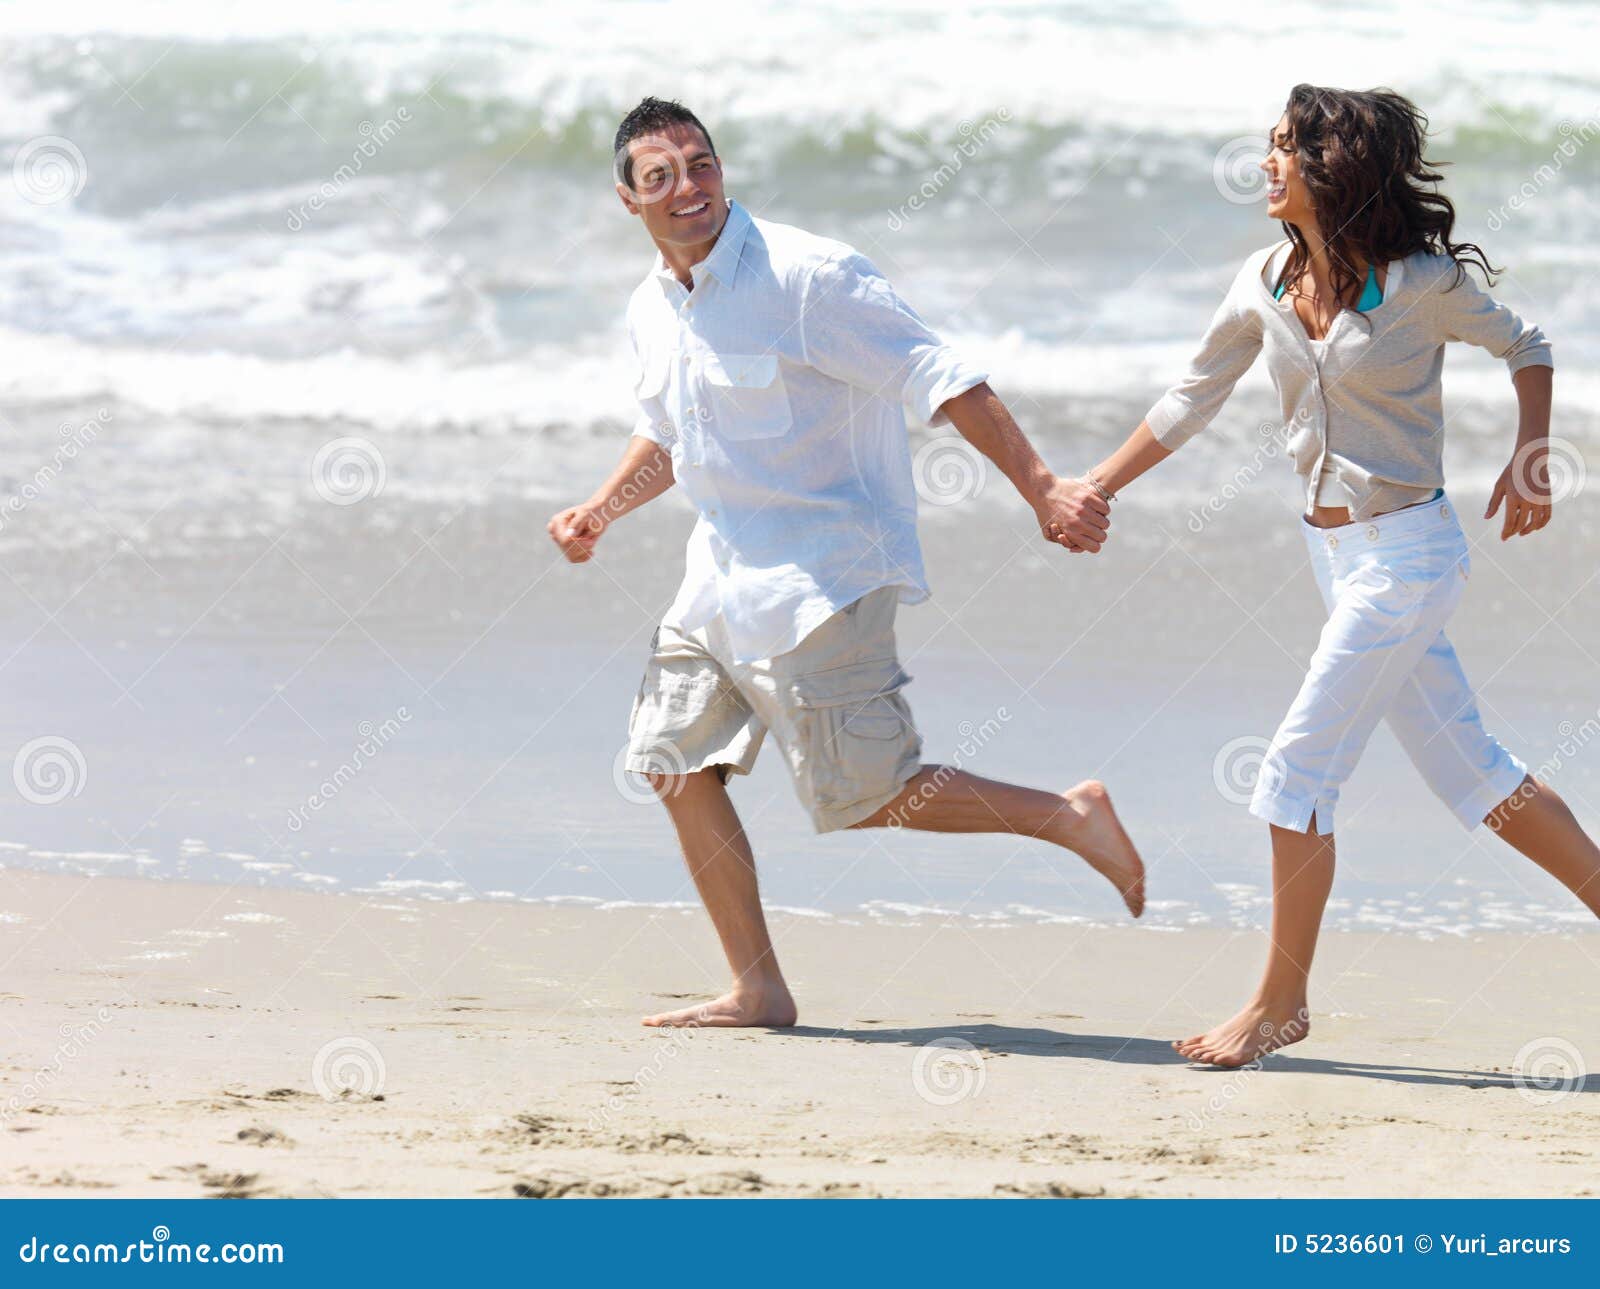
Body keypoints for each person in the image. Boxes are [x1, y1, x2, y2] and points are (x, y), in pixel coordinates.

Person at [548, 96, 1144, 1028]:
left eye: (700, 164)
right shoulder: (652, 306)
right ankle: (757, 986)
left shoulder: (808, 275)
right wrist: (601, 509)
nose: (688, 188)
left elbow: (941, 374)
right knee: (668, 758)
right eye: (660, 175)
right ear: (629, 200)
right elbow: (669, 435)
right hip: (719, 575)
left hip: (823, 576)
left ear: (721, 169)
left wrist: (1042, 487)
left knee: (871, 796)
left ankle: (1068, 816)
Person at [1088, 84, 1600, 1067]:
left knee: (1292, 777)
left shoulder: (1417, 282)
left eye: (1285, 147)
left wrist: (1531, 454)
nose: (1266, 162)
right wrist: (1092, 486)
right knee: (1476, 775)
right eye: (1269, 144)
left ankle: (1278, 1003)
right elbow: (1191, 394)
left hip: (1407, 556)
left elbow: (1525, 346)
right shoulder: (1262, 282)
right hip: (1332, 556)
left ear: (1332, 167)